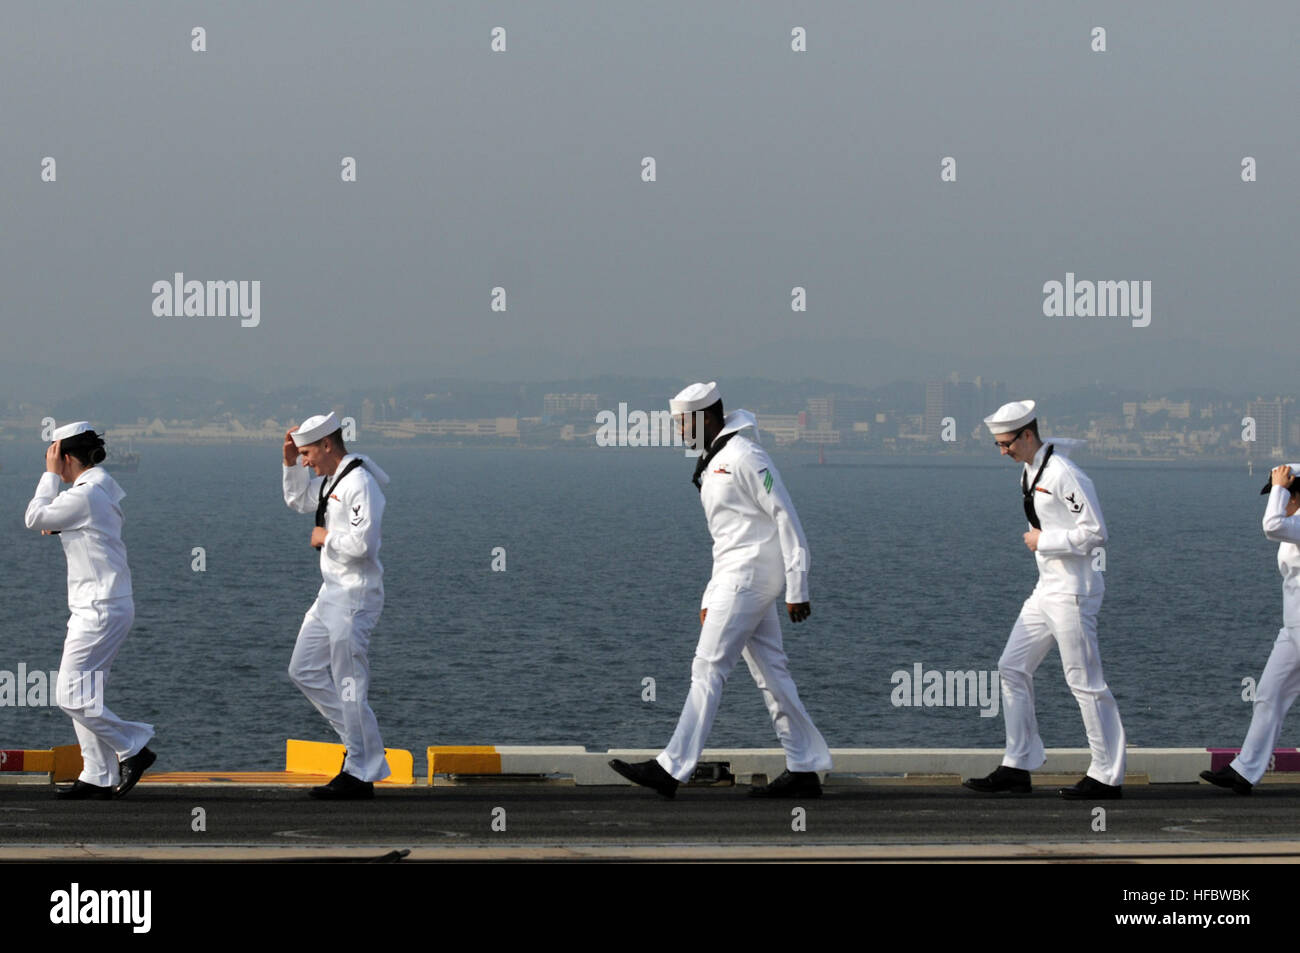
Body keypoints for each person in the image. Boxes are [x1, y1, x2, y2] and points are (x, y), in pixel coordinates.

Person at [609, 382, 832, 798]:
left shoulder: (747, 457)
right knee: (772, 673)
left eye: (682, 423)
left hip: (749, 580)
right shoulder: (714, 462)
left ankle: (671, 767)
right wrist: (710, 597)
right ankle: (804, 767)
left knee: (708, 668)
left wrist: (798, 585)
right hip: (736, 578)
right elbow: (726, 540)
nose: (678, 432)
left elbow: (785, 516)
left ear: (705, 418)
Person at [963, 400, 1126, 799]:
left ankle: (1106, 775)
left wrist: (1044, 541)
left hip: (1073, 592)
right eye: (998, 445)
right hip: (1047, 589)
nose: (1003, 452)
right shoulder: (1030, 469)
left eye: (1006, 444)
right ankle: (1018, 765)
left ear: (1028, 434)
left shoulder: (1065, 473)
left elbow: (1097, 532)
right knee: (1012, 667)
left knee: (1085, 683)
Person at [24, 422, 156, 800]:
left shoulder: (83, 495)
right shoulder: (97, 488)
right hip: (103, 605)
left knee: (69, 695)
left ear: (65, 458)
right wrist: (62, 523)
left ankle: (133, 746)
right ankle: (98, 774)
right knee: (88, 692)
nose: (54, 466)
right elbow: (79, 521)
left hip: (98, 609)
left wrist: (49, 479)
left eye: (54, 458)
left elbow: (34, 517)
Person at [282, 412, 392, 800]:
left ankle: (360, 772)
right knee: (304, 670)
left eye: (308, 452)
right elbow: (297, 500)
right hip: (331, 593)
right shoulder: (332, 479)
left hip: (355, 596)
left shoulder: (360, 483)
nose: (307, 460)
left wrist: (325, 538)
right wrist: (289, 463)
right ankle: (359, 745)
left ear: (328, 445)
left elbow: (365, 546)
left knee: (349, 684)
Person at [1201, 463, 1300, 795]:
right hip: (1293, 629)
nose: (1276, 501)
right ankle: (1245, 771)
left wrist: (1280, 485)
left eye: (1282, 496)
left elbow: (1271, 525)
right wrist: (1280, 487)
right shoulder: (1294, 524)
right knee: (1268, 696)